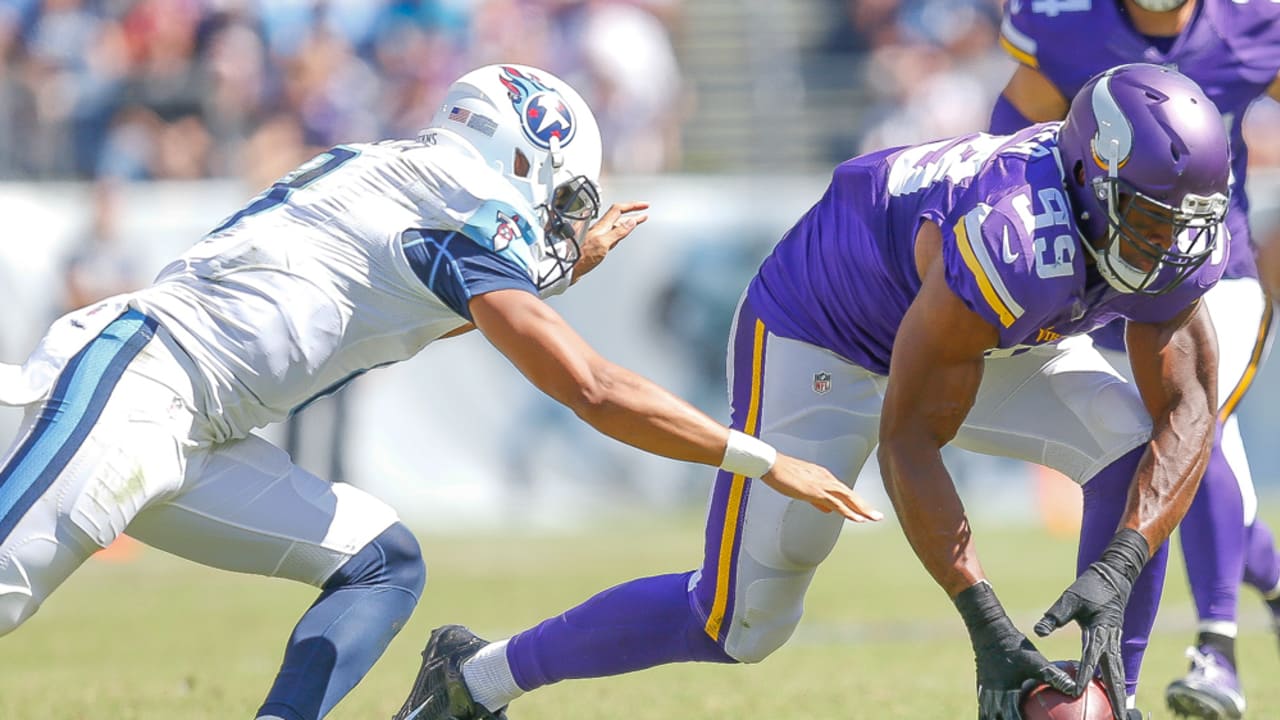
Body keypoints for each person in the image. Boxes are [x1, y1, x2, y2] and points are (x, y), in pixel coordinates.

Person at [0, 63, 880, 720]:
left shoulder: (393, 173)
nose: (564, 216)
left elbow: (426, 302)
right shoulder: (461, 205)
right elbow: (592, 388)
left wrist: (556, 268)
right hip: (136, 387)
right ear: (526, 158)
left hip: (200, 430)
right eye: (563, 196)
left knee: (382, 563)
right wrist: (763, 460)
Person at [395, 62, 1231, 720]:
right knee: (738, 624)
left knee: (1129, 441)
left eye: (1180, 223)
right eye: (1149, 220)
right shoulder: (1013, 234)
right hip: (822, 333)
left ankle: (1109, 696)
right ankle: (475, 675)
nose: (1167, 248)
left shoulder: (1163, 230)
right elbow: (910, 436)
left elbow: (1190, 407)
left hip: (978, 332)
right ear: (1090, 180)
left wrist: (1122, 565)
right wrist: (987, 624)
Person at [991, 2, 1280, 717]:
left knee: (1186, 427)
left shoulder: (1254, 21)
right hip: (1102, 277)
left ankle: (1217, 654)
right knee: (1155, 455)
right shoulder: (1064, 21)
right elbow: (1011, 133)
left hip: (1213, 271)